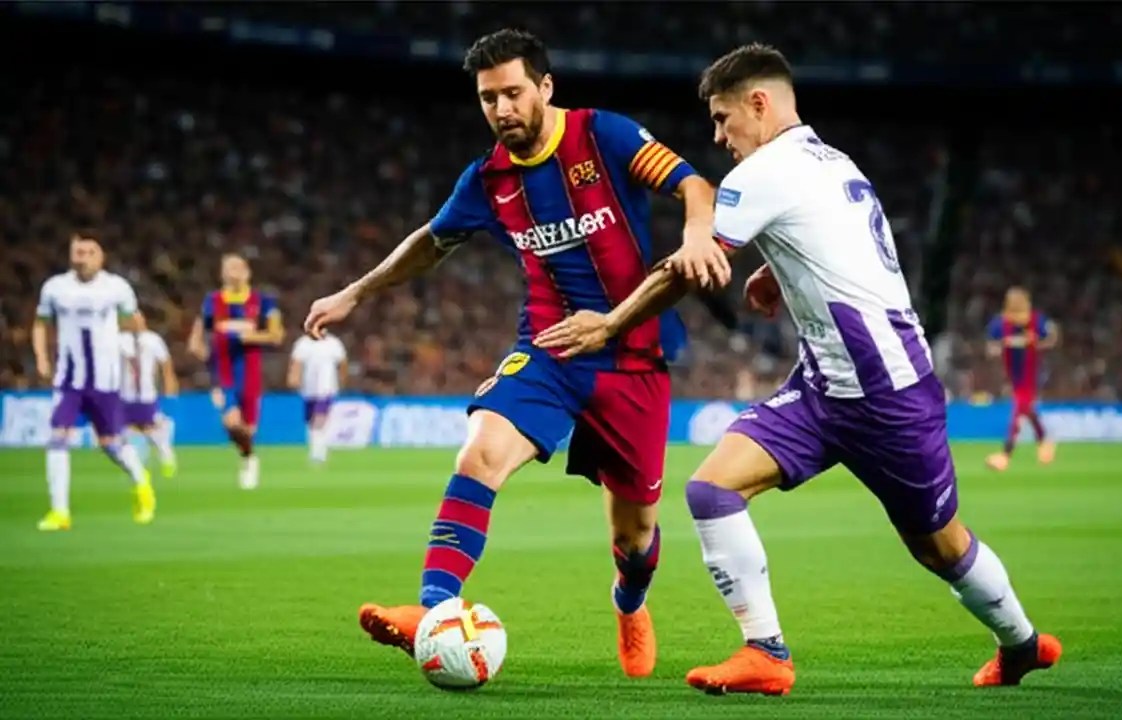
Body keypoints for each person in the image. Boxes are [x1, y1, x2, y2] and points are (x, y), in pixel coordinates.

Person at [535, 43, 1062, 695]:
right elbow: (841, 245)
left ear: (759, 104)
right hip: (823, 386)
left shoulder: (761, 174)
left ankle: (1021, 643)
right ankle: (766, 652)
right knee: (710, 490)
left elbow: (689, 266)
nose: (718, 135)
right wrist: (775, 274)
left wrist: (610, 324)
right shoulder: (828, 158)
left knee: (940, 547)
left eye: (724, 119)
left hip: (887, 394)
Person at [303, 28, 725, 678]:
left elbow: (693, 184)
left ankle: (629, 602)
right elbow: (431, 241)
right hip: (550, 348)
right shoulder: (488, 180)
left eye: (513, 93)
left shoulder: (603, 135)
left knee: (634, 536)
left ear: (545, 87)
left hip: (634, 357)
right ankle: (435, 608)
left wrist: (698, 232)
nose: (502, 110)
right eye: (487, 98)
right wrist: (357, 293)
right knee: (481, 452)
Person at [33, 231, 155, 530]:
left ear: (101, 256)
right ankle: (59, 511)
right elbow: (40, 324)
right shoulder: (55, 288)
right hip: (69, 380)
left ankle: (142, 483)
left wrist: (136, 345)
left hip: (105, 380)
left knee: (111, 445)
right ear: (70, 255)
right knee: (57, 436)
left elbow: (134, 321)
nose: (83, 257)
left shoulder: (116, 288)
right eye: (78, 251)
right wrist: (41, 358)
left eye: (89, 252)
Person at [188, 253, 283, 489]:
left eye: (239, 267)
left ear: (248, 272)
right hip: (223, 373)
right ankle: (248, 458)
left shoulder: (262, 301)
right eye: (229, 267)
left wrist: (249, 336)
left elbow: (277, 335)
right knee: (231, 422)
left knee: (247, 430)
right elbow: (197, 337)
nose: (235, 272)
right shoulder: (213, 301)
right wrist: (206, 356)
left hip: (249, 370)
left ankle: (249, 457)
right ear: (222, 273)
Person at [984, 286, 1059, 471]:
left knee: (1020, 408)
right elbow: (990, 345)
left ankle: (1005, 455)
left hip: (1031, 371)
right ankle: (1044, 441)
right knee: (1027, 408)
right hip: (1013, 372)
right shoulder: (1001, 323)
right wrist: (998, 347)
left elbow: (1052, 337)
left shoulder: (1036, 320)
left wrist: (1037, 344)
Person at [119, 311, 179, 476]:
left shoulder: (153, 340)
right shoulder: (119, 340)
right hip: (125, 394)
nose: (135, 322)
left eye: (138, 318)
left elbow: (166, 365)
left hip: (146, 393)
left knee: (149, 427)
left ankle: (165, 454)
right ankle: (139, 466)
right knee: (127, 431)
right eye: (131, 319)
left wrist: (170, 386)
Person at [287, 333, 348, 465]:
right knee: (310, 420)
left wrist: (342, 379)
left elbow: (342, 363)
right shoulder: (303, 343)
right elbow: (296, 363)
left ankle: (318, 452)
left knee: (320, 418)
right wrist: (294, 377)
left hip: (327, 387)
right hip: (308, 388)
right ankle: (316, 448)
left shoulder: (333, 343)